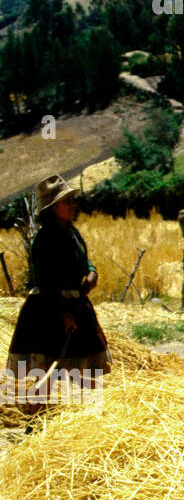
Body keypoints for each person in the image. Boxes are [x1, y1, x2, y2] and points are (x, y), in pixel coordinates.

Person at [6, 175, 111, 415]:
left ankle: (89, 414)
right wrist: (63, 314)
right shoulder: (45, 239)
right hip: (48, 309)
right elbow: (46, 279)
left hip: (76, 304)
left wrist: (91, 272)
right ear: (53, 208)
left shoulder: (71, 233)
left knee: (83, 362)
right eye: (67, 201)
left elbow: (84, 259)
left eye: (73, 200)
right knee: (47, 364)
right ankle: (36, 415)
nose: (73, 205)